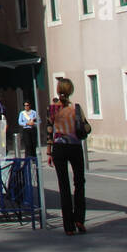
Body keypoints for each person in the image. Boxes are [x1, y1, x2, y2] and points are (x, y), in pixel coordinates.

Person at [45, 79, 87, 235]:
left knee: (64, 186)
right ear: (71, 91)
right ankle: (79, 219)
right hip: (75, 146)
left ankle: (68, 226)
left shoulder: (52, 109)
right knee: (79, 182)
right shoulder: (76, 108)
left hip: (59, 147)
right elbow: (85, 127)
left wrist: (49, 151)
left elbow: (49, 131)